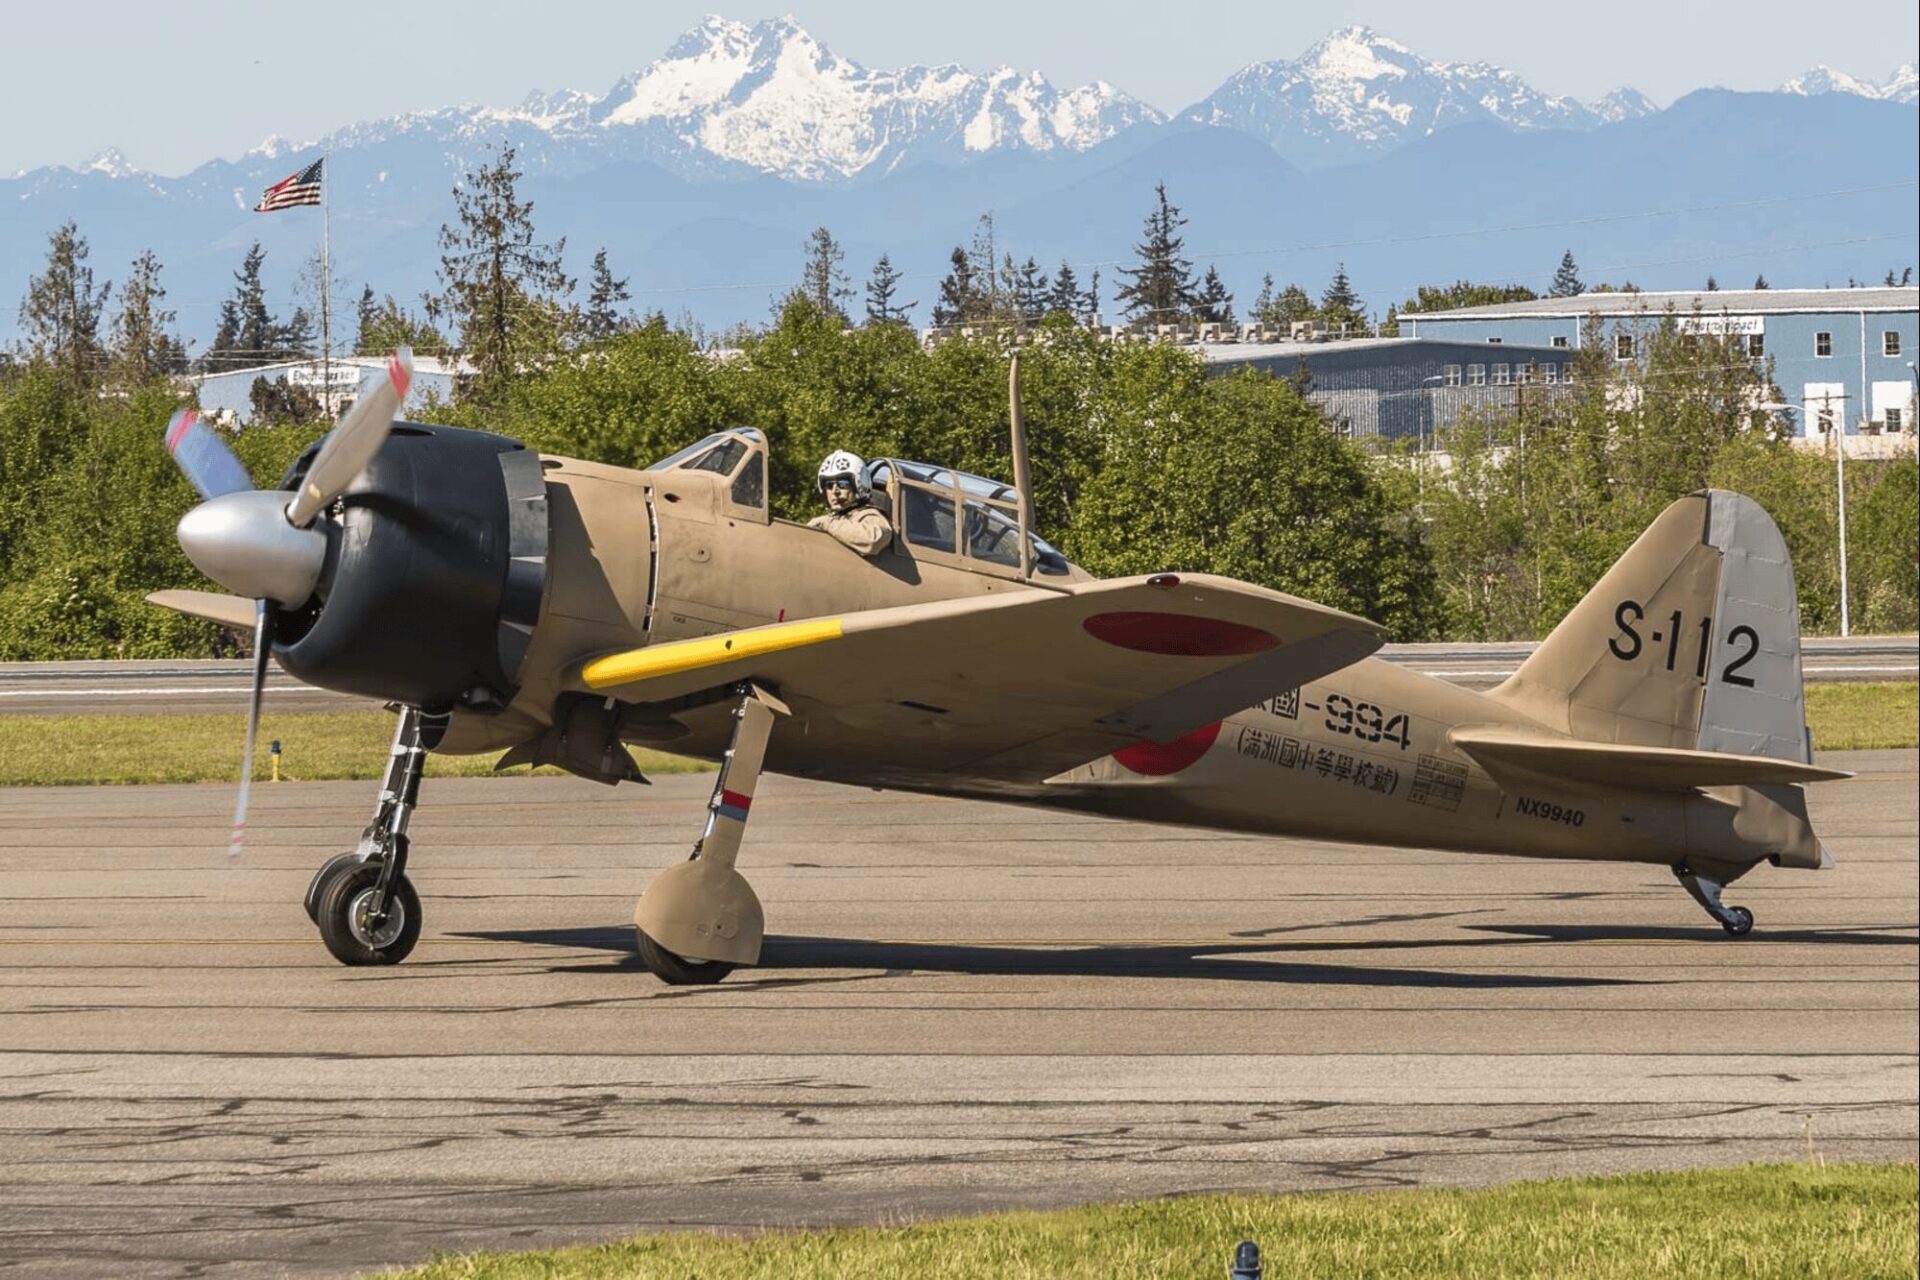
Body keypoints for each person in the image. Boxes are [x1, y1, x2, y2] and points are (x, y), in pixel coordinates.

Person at [807, 450, 892, 557]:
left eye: (843, 484)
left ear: (859, 485)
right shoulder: (833, 520)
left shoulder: (869, 516)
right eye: (829, 486)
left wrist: (828, 523)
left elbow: (873, 539)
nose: (835, 492)